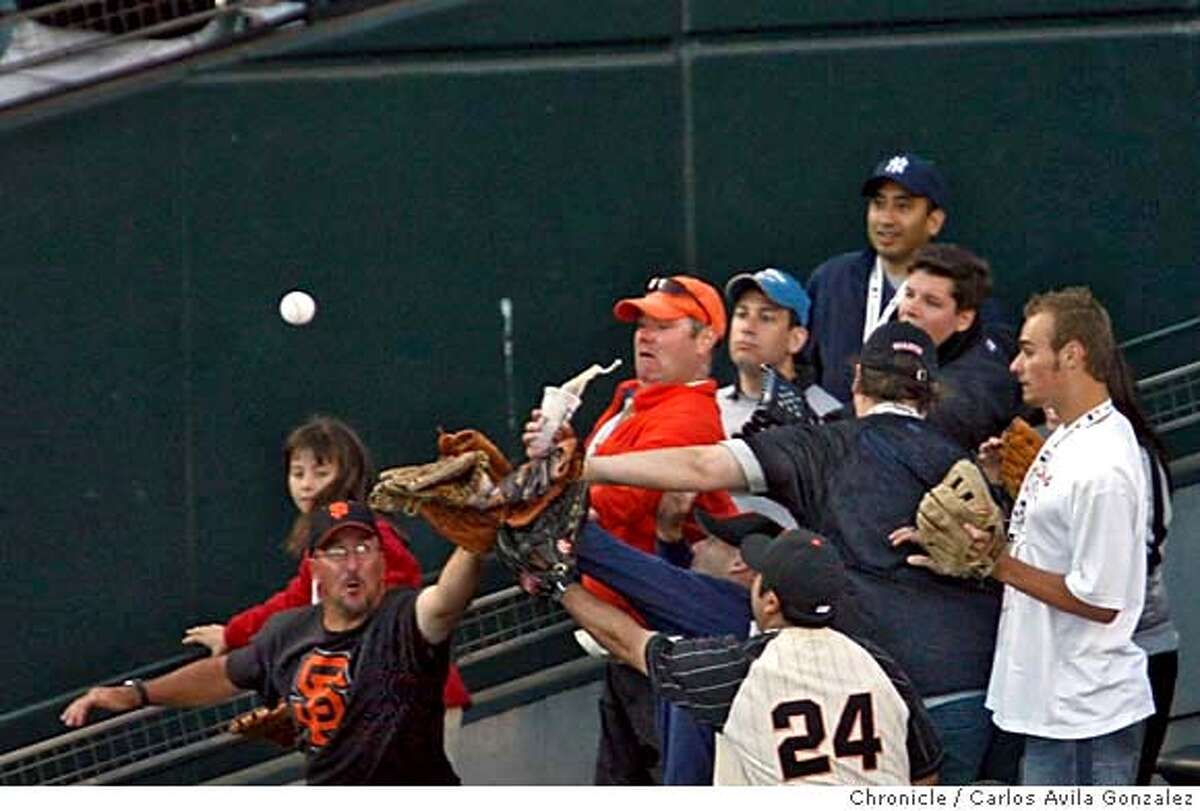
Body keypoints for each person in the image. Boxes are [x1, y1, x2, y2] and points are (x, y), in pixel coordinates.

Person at [575, 321, 1002, 784]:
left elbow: (700, 464)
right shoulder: (959, 460)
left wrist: (583, 469)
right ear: (930, 395)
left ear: (858, 378)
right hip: (977, 684)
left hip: (885, 689)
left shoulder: (821, 446)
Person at [63, 500, 485, 785]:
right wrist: (137, 694)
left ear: (380, 559)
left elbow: (447, 600)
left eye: (363, 548)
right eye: (336, 553)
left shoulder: (404, 619)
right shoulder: (287, 633)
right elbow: (223, 673)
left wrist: (476, 538)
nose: (352, 564)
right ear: (314, 568)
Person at [948, 287, 1153, 785]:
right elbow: (1054, 536)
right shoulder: (1065, 435)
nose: (1015, 366)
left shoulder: (1103, 466)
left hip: (1086, 717)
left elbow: (1102, 599)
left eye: (1028, 351)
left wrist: (999, 564)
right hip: (1056, 706)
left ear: (1072, 354)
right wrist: (1001, 484)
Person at [553, 525, 944, 785]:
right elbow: (925, 776)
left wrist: (560, 585)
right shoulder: (880, 664)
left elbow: (628, 641)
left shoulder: (741, 668)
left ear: (770, 601)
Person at [179, 415, 472, 759]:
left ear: (348, 473)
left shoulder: (373, 536)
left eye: (320, 473)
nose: (306, 485)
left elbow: (399, 607)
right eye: (297, 473)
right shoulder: (320, 546)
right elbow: (293, 601)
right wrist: (232, 634)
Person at [573, 274, 740, 785]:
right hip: (622, 636)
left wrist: (554, 490)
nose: (645, 336)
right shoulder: (633, 396)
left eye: (663, 326)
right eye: (642, 324)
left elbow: (617, 504)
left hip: (669, 642)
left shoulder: (689, 415)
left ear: (705, 339)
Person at [805, 152, 948, 403]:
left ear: (933, 221)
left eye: (902, 206)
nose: (886, 219)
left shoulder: (957, 294)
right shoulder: (831, 280)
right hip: (832, 427)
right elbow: (803, 367)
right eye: (878, 204)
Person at [718, 268, 843, 527]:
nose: (748, 328)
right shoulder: (709, 404)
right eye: (741, 314)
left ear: (796, 339)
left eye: (766, 317)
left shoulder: (828, 416)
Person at [897, 244, 1022, 452]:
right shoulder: (988, 336)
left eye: (931, 302)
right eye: (909, 295)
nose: (910, 309)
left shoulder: (957, 402)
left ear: (964, 319)